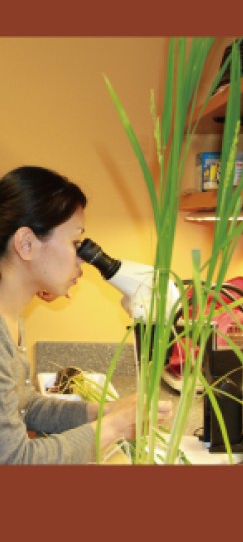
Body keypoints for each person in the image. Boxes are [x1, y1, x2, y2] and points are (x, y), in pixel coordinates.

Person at [0, 165, 167, 463]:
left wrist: (103, 412)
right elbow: (14, 461)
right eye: (76, 242)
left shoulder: (11, 316)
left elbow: (24, 407)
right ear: (26, 244)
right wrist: (114, 427)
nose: (83, 258)